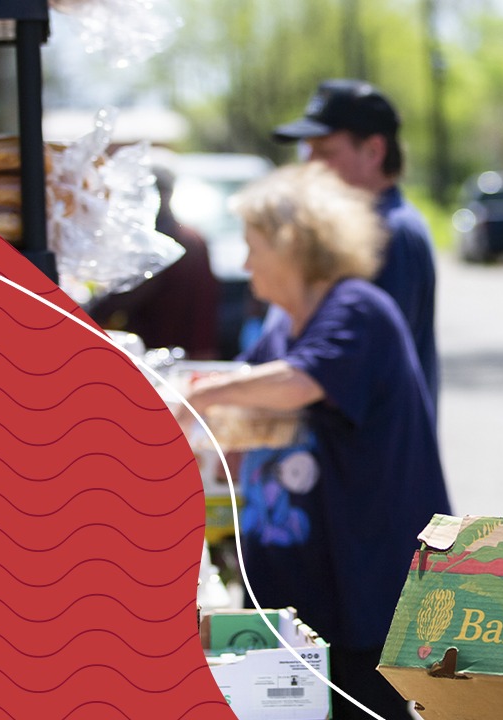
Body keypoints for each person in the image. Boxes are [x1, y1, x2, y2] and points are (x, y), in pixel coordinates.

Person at [182, 163, 450, 720]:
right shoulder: (282, 325)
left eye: (254, 246)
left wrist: (194, 394)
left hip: (363, 596)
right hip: (297, 597)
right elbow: (245, 422)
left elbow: (300, 382)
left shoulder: (357, 309)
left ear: (291, 245)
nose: (245, 262)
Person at [272, 78, 439, 408]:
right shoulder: (365, 225)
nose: (311, 165)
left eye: (325, 151)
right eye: (309, 151)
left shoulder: (390, 231)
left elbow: (357, 365)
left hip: (379, 454)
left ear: (374, 151)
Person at [90, 165, 220, 359]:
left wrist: (89, 311)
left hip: (164, 355)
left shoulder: (161, 244)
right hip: (194, 352)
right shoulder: (192, 237)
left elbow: (126, 295)